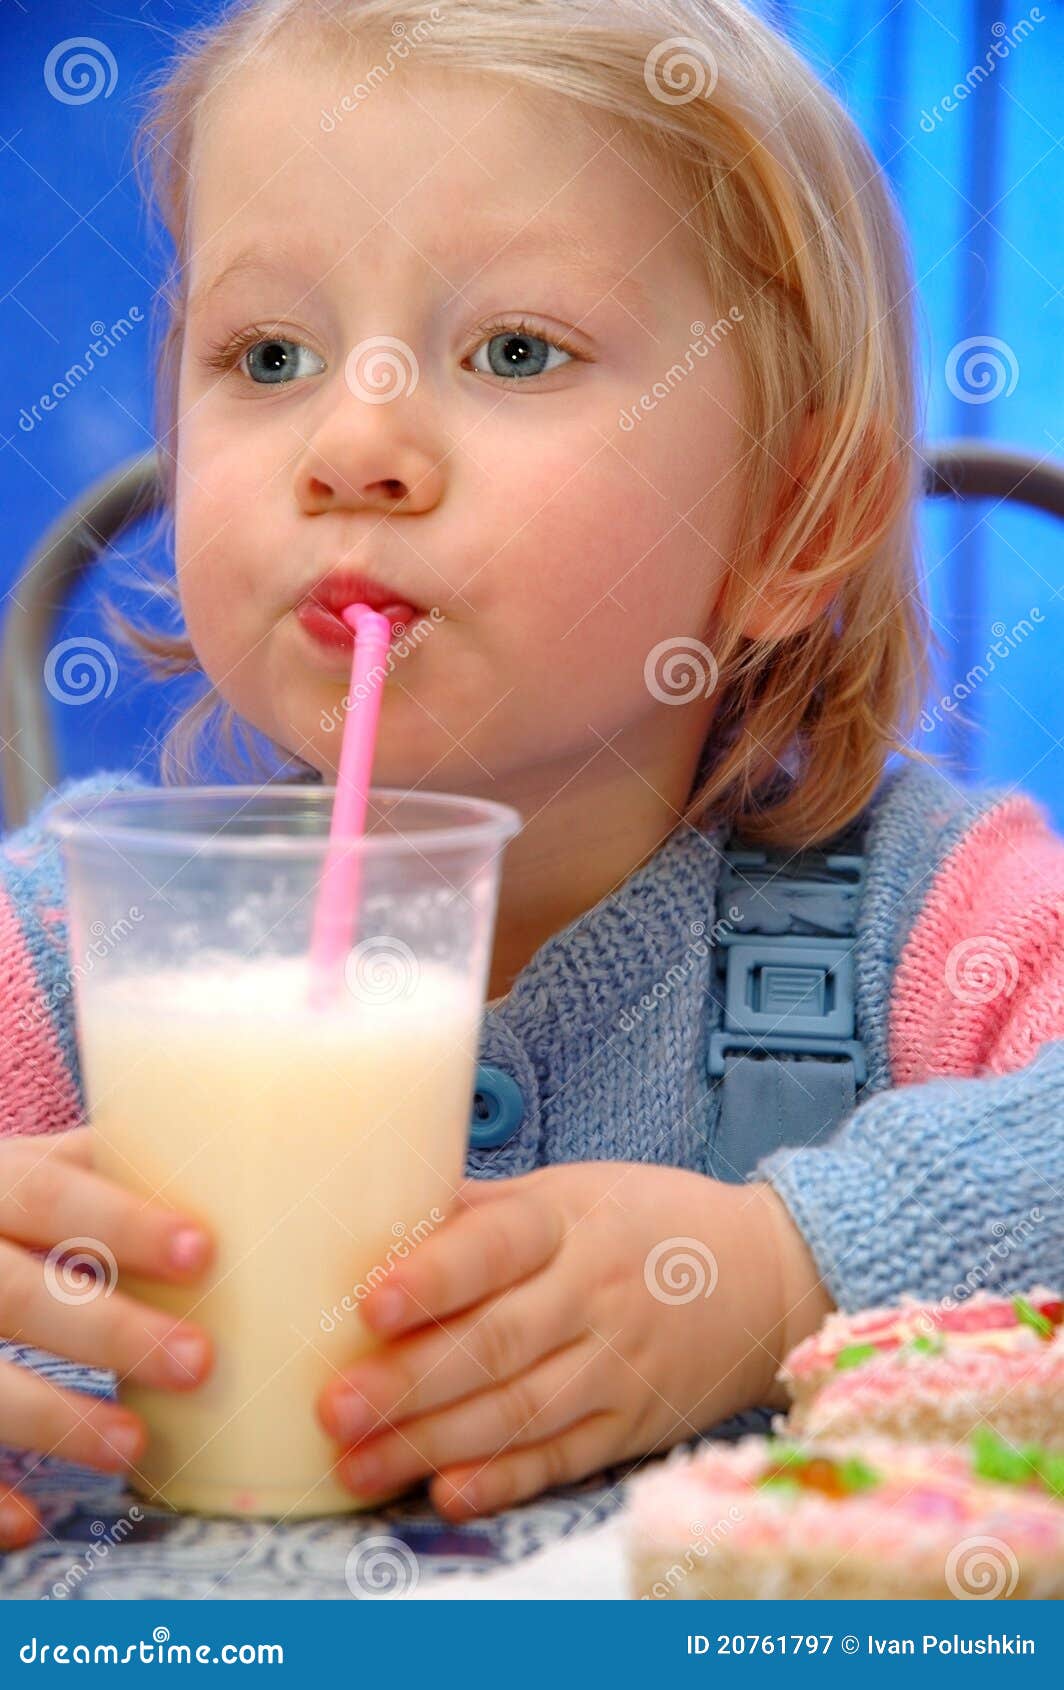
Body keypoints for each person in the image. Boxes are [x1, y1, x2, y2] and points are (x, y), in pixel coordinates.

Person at [0, 0, 1060, 1550]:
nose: (351, 442)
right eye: (268, 352)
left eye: (513, 349)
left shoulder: (935, 927)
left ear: (787, 521)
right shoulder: (74, 939)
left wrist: (783, 1265)